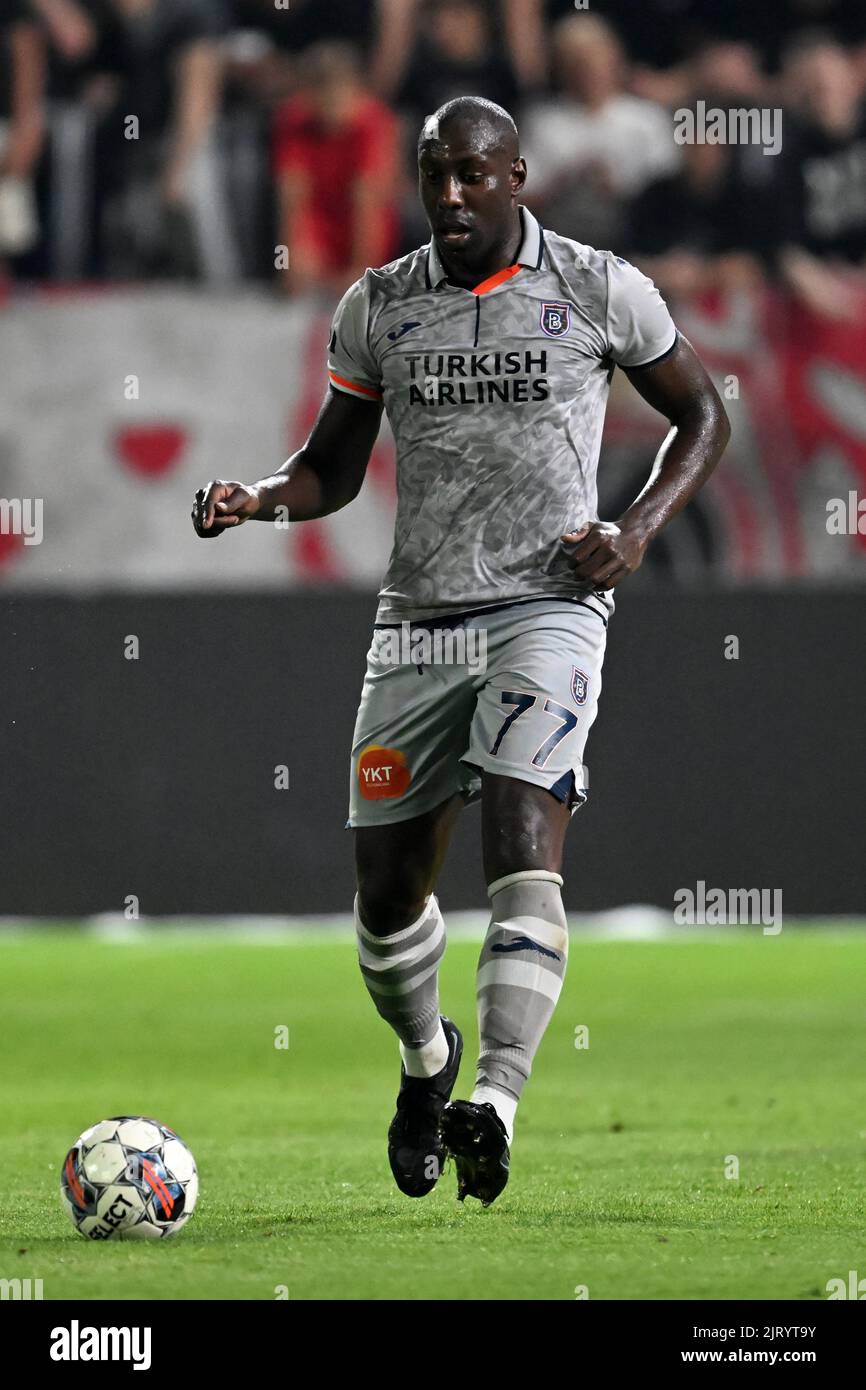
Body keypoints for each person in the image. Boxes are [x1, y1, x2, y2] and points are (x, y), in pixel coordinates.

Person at [191, 96, 729, 1206]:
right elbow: (330, 470)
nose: (448, 196)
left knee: (520, 824)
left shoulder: (595, 286)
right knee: (386, 900)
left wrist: (631, 531)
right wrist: (255, 498)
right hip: (417, 621)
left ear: (516, 177)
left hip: (549, 603)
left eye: (471, 177)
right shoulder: (378, 306)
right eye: (433, 175)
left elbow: (703, 412)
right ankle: (426, 1063)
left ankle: (495, 1095)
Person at [273, 42, 399, 298]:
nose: (331, 104)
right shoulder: (294, 121)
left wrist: (361, 268)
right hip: (318, 224)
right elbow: (291, 197)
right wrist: (287, 261)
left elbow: (368, 201)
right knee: (300, 268)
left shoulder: (373, 122)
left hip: (363, 228)